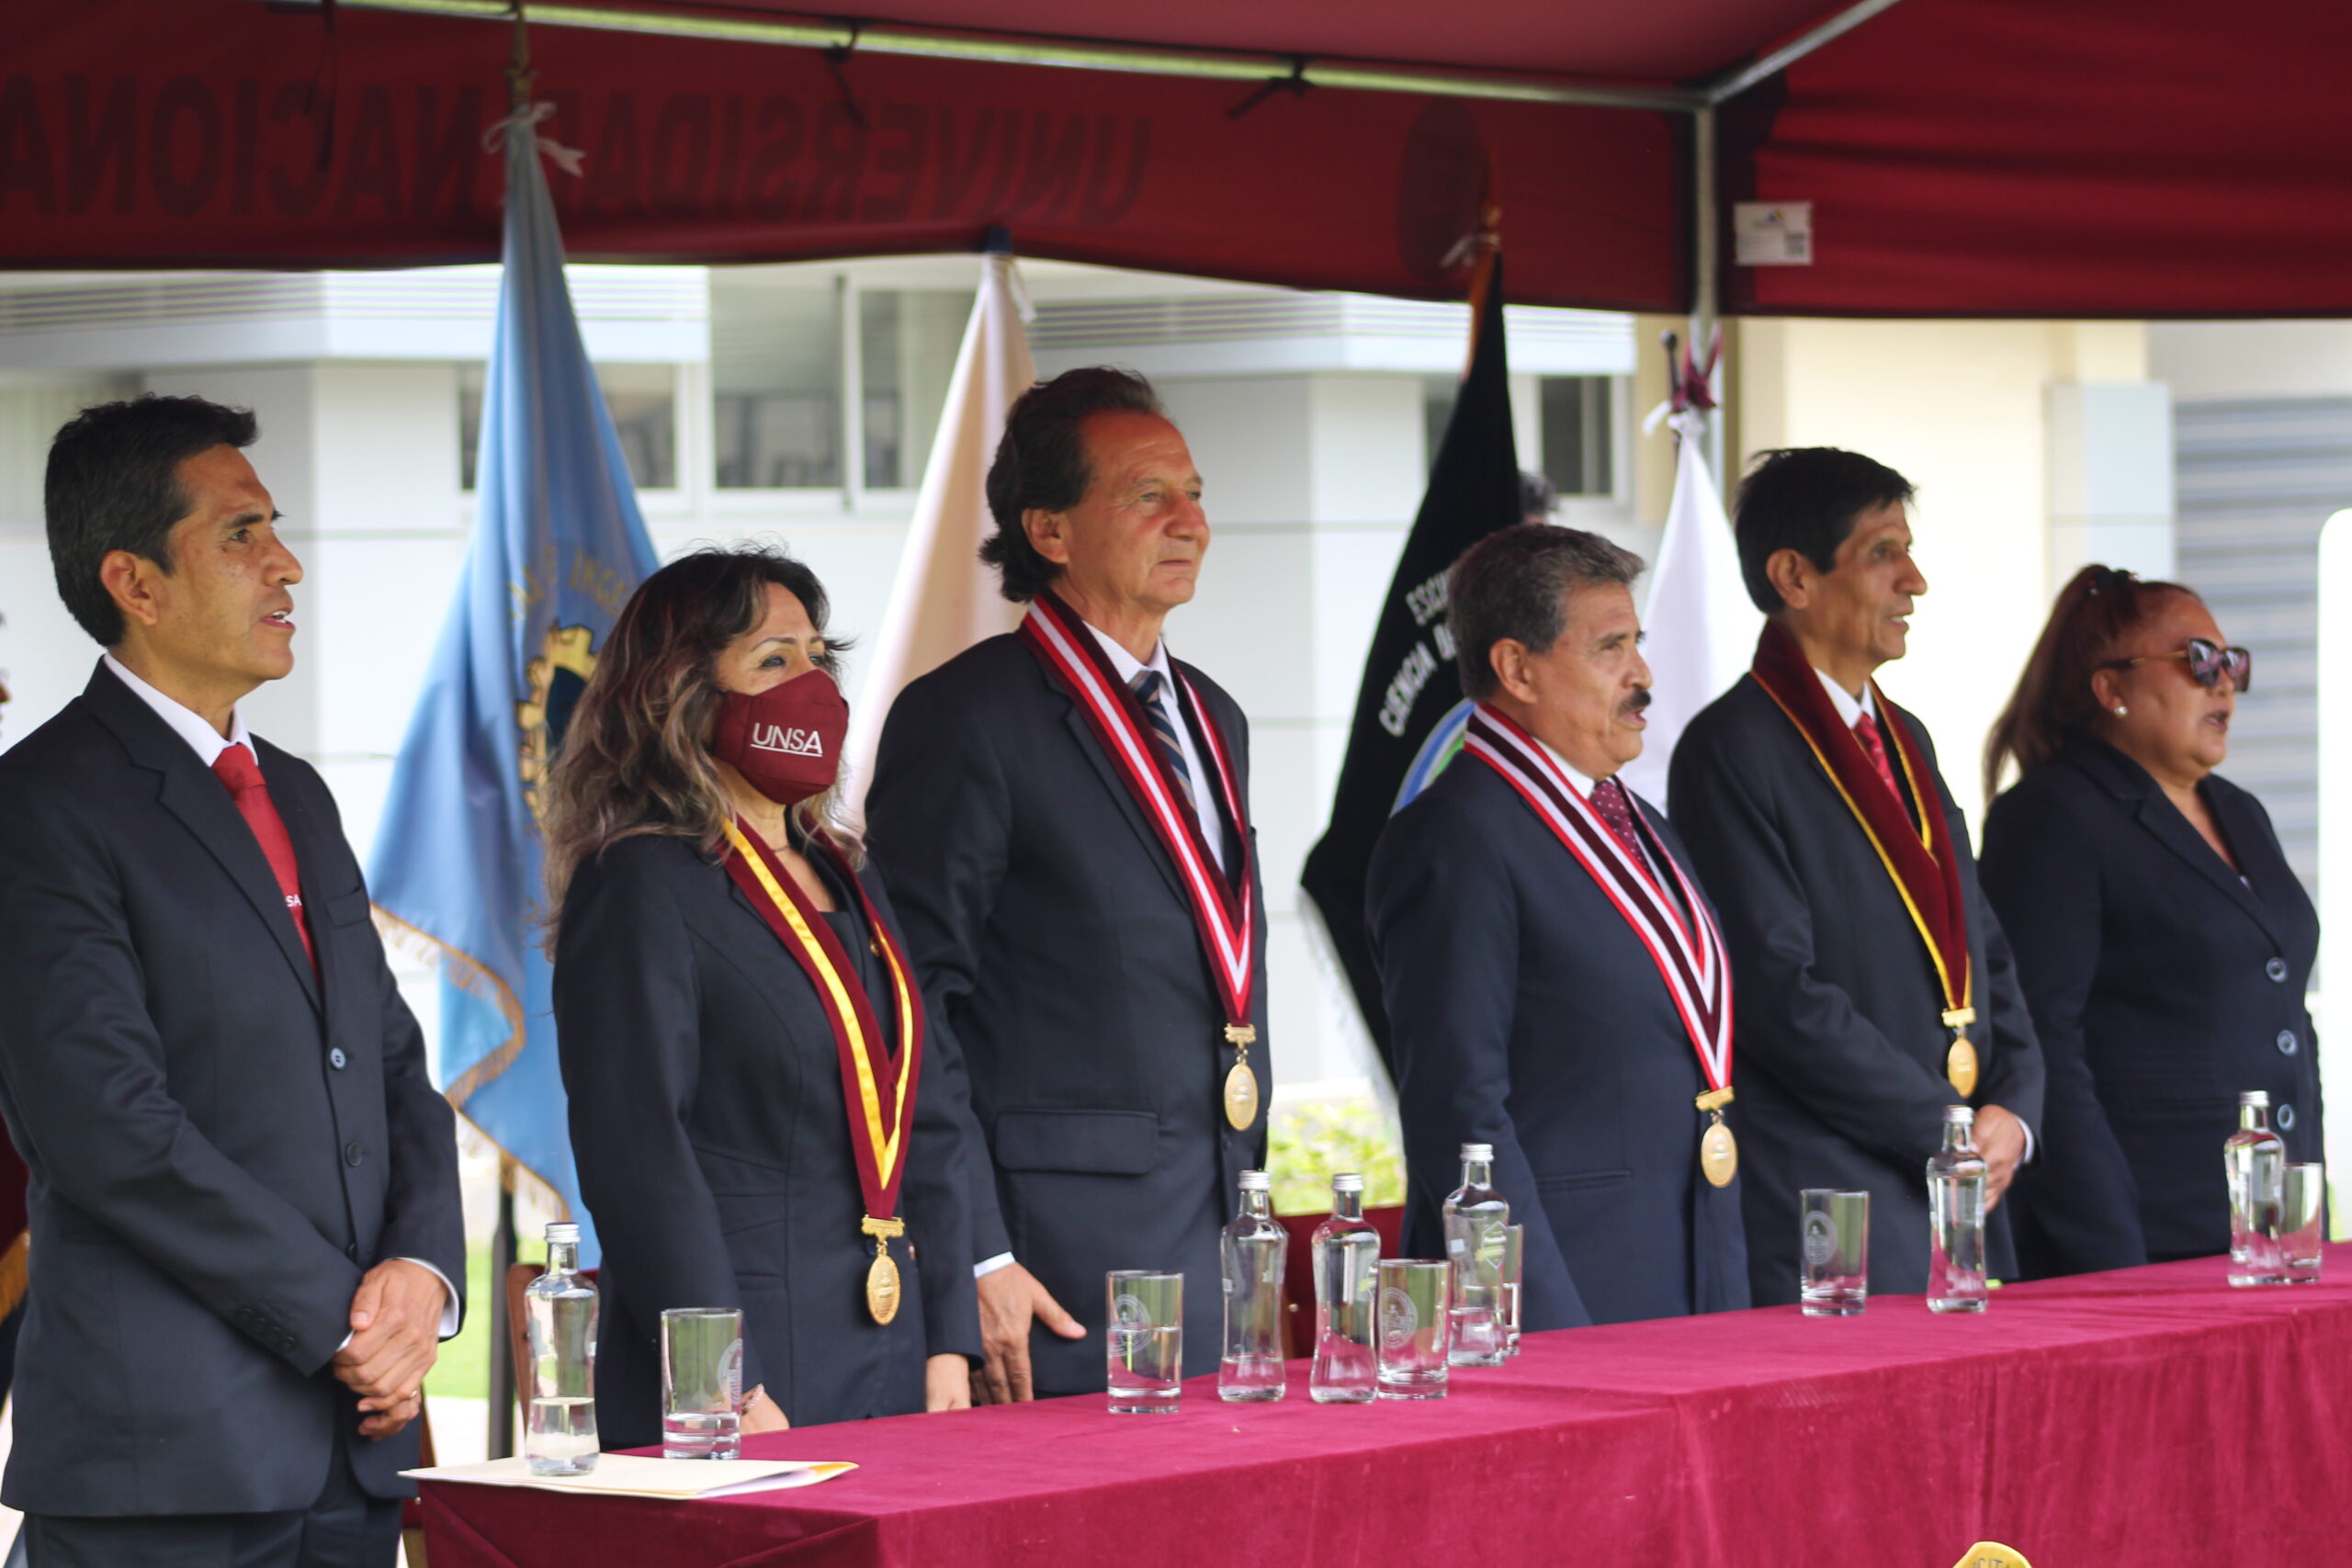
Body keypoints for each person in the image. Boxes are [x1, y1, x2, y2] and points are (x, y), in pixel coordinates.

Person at [0, 395, 465, 1567]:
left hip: (356, 1452)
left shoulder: (296, 792)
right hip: (165, 1472)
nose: (286, 564)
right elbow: (105, 1127)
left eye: (277, 528)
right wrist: (343, 1326)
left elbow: (390, 1063)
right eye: (240, 534)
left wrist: (420, 1280)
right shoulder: (39, 806)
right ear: (135, 583)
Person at [865, 367, 1269, 1400]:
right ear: (1049, 531)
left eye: (1196, 493)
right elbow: (914, 1009)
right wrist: (977, 1257)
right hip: (1053, 1262)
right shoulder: (967, 717)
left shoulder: (1213, 715)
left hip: (1212, 1231)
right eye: (1148, 496)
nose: (1190, 522)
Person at [545, 547, 979, 1443]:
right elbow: (638, 1156)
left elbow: (923, 1111)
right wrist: (722, 1378)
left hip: (900, 1356)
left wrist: (949, 1342)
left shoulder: (850, 875)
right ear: (684, 694)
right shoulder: (640, 881)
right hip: (745, 1369)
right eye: (773, 660)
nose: (812, 684)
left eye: (820, 657)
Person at [1668, 446, 2045, 1304]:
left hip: (1966, 1184)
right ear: (1794, 576)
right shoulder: (1733, 748)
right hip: (1842, 1204)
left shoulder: (1905, 735)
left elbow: (1983, 948)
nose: (1914, 581)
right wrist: (1945, 1127)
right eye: (1883, 553)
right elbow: (1777, 994)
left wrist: (2014, 1112)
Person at [1369, 525, 1748, 1327]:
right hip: (1560, 1298)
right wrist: (1539, 1317)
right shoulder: (1455, 836)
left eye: (1637, 642)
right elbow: (1460, 1112)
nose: (1642, 673)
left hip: (1692, 1274)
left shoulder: (1637, 817)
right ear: (1517, 667)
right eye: (1611, 647)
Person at [1979, 565, 2321, 1274]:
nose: (2223, 681)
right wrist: (2109, 1247)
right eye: (2198, 661)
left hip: (2270, 1226)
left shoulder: (2241, 811)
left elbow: (2280, 1001)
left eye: (2233, 663)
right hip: (2143, 1235)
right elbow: (2046, 1043)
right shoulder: (2053, 817)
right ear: (2112, 690)